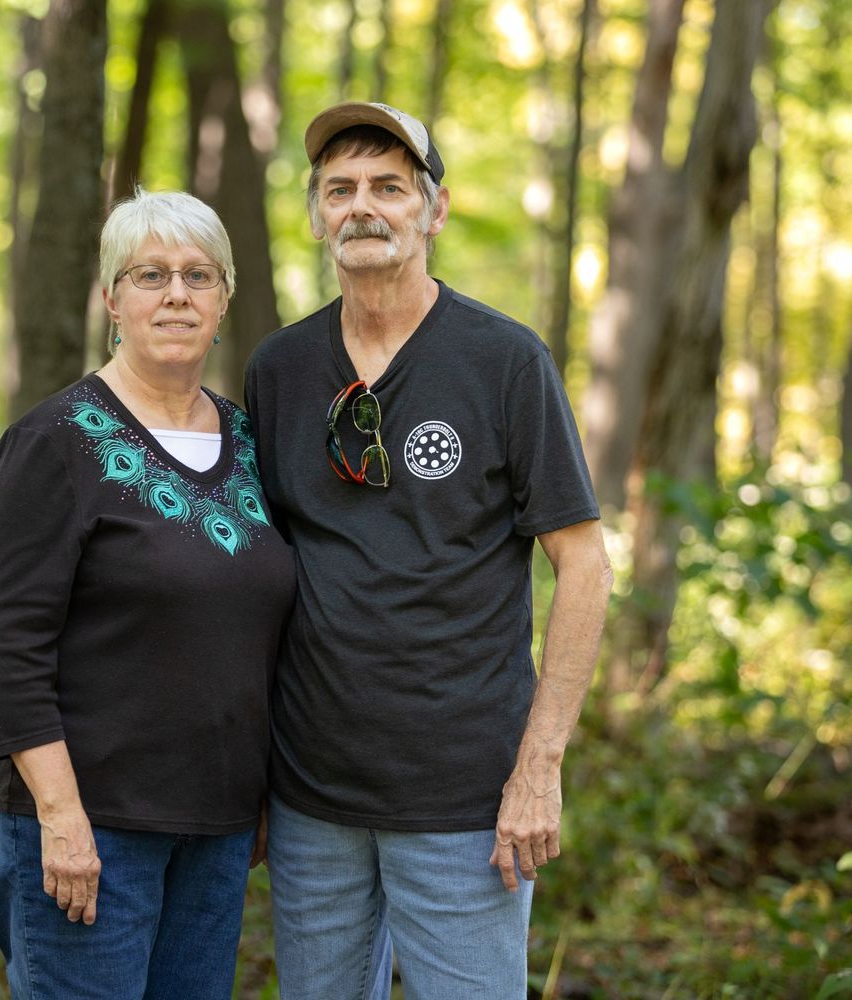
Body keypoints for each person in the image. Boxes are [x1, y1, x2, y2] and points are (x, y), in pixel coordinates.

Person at [244, 102, 614, 998]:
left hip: (466, 800)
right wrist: (249, 773)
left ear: (434, 210)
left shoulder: (506, 362)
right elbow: (258, 580)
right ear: (317, 215)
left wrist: (539, 767)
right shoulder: (279, 371)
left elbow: (585, 565)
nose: (363, 206)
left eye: (390, 187)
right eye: (340, 189)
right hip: (312, 798)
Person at [0, 188, 296, 1000]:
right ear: (112, 299)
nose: (176, 294)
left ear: (224, 298)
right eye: (150, 275)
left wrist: (260, 794)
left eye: (198, 275)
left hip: (217, 828)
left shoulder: (252, 442)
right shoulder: (53, 441)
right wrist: (61, 817)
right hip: (89, 827)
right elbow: (8, 651)